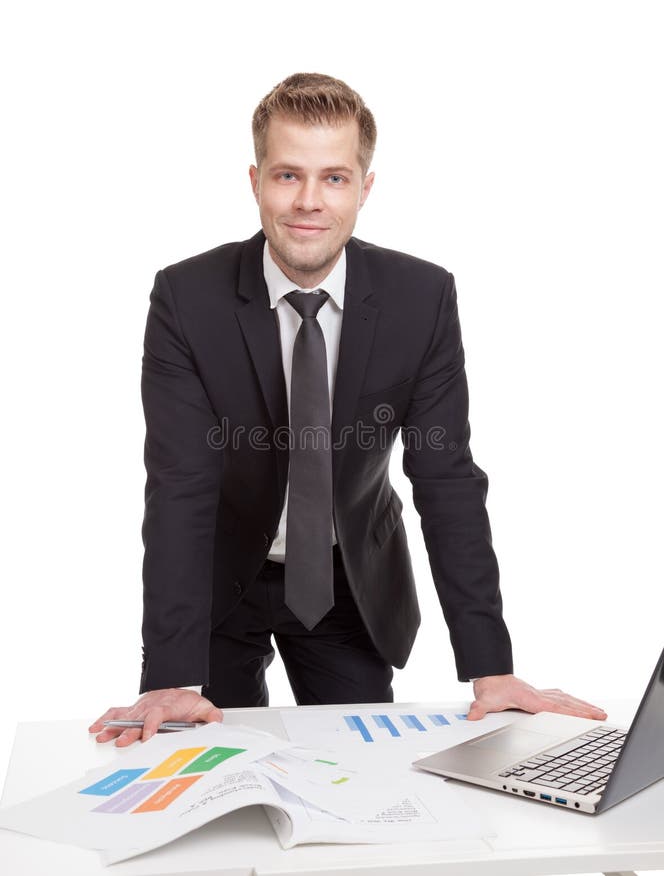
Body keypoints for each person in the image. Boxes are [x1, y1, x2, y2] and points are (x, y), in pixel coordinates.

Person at [90, 73, 606, 747]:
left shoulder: (422, 298)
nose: (309, 202)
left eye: (334, 178)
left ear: (365, 188)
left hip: (345, 579)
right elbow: (181, 484)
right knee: (212, 770)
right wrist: (170, 672)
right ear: (254, 182)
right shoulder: (187, 298)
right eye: (287, 176)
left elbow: (446, 477)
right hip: (218, 579)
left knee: (365, 775)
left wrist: (491, 667)